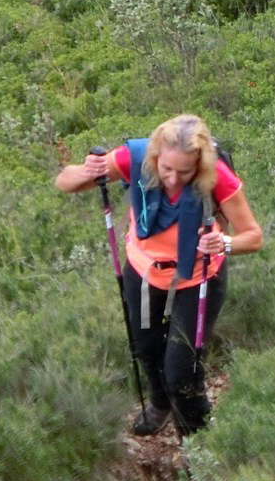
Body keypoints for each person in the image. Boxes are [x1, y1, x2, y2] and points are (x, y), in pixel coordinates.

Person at [55, 114, 263, 436]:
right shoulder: (133, 159)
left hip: (197, 278)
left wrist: (223, 243)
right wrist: (89, 171)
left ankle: (197, 439)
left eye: (184, 172)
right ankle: (160, 403)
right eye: (166, 169)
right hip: (144, 271)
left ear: (201, 163)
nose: (173, 179)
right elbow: (65, 182)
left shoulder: (217, 176)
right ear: (155, 156)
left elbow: (253, 237)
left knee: (181, 372)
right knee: (145, 347)